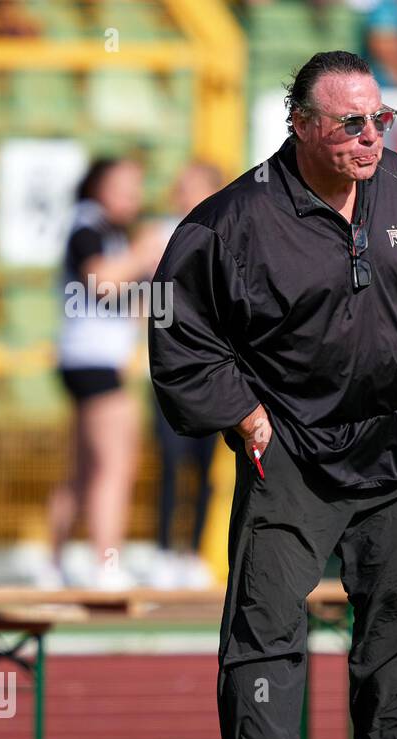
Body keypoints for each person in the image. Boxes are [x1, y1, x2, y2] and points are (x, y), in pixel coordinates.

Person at [150, 51, 397, 739]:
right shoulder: (232, 220)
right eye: (350, 122)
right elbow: (177, 329)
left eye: (380, 120)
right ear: (300, 126)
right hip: (289, 450)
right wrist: (244, 415)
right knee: (268, 619)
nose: (370, 137)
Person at [45, 157, 164, 591]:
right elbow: (102, 282)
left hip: (87, 359)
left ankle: (52, 564)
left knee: (80, 468)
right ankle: (106, 562)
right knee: (114, 465)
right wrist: (142, 252)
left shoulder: (107, 232)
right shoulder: (88, 226)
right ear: (98, 187)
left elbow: (130, 301)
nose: (132, 199)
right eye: (123, 188)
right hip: (92, 361)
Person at [150, 161, 227, 589]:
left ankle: (193, 552)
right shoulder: (161, 234)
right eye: (181, 186)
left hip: (211, 370)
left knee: (204, 467)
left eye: (193, 187)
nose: (183, 194)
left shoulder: (224, 233)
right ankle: (164, 549)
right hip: (171, 369)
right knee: (171, 461)